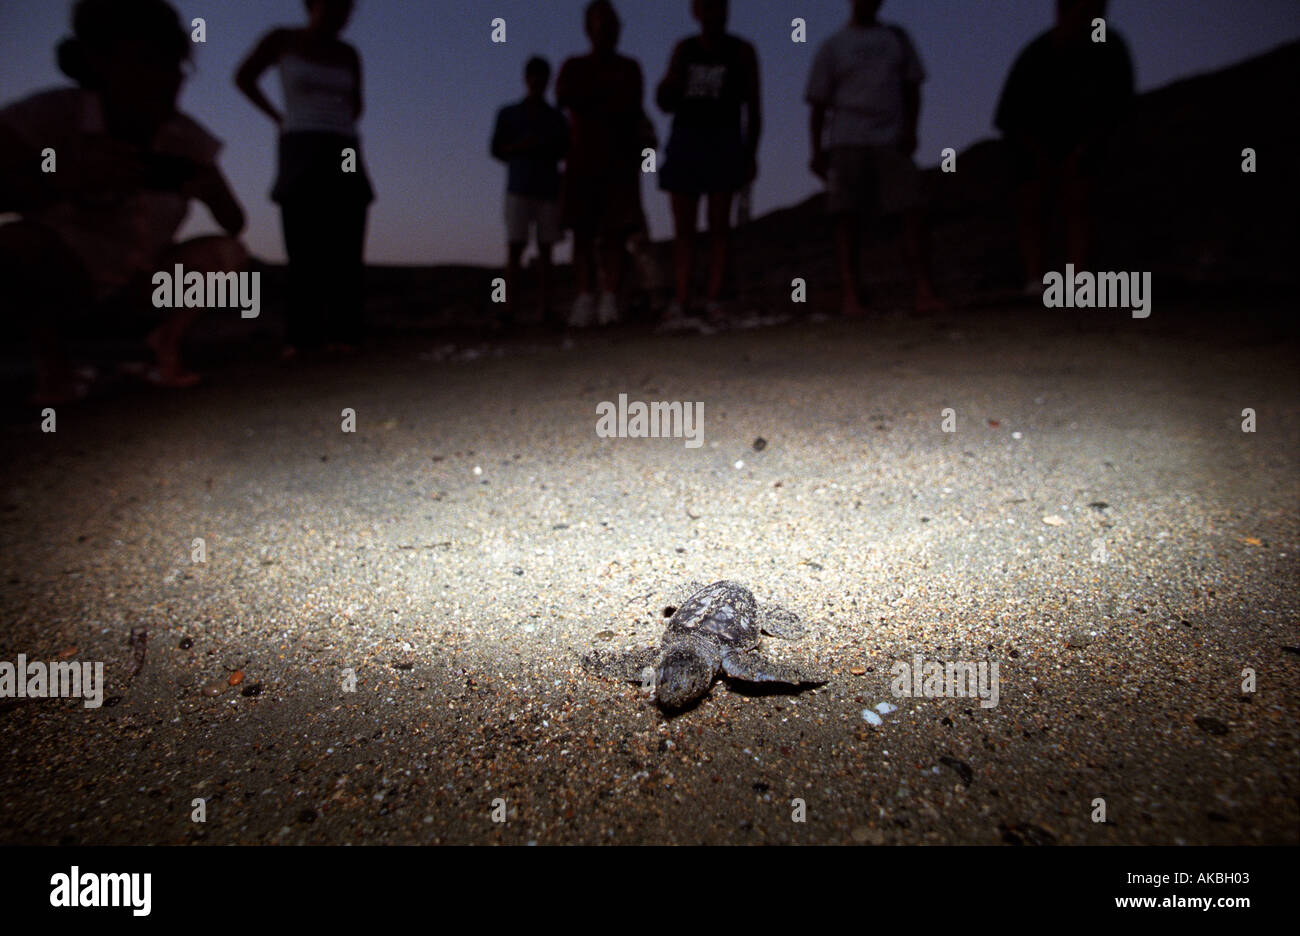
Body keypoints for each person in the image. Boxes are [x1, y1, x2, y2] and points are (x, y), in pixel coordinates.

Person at [0, 0, 246, 404]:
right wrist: (59, 178)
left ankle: (163, 346)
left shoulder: (187, 139)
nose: (165, 81)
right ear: (99, 64)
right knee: (17, 243)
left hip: (142, 288)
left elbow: (234, 222)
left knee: (227, 255)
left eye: (173, 67)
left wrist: (211, 190)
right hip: (67, 283)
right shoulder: (49, 116)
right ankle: (54, 370)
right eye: (145, 63)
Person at [235, 0, 374, 358]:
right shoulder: (282, 39)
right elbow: (244, 77)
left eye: (347, 11)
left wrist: (339, 121)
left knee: (347, 235)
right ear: (312, 5)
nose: (341, 17)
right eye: (333, 8)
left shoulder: (348, 52)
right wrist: (278, 116)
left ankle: (347, 333)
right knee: (303, 240)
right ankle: (301, 338)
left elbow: (358, 102)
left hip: (342, 144)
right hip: (301, 141)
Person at [805, 0, 944, 318]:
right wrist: (816, 151)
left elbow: (912, 86)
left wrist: (911, 129)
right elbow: (818, 103)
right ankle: (851, 297)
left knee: (912, 209)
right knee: (845, 218)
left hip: (890, 140)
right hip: (847, 141)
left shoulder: (896, 38)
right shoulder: (834, 45)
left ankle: (923, 291)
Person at [995, 0, 1134, 294]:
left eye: (1096, 14)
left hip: (1089, 144)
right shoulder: (1036, 55)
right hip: (1035, 146)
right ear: (1062, 11)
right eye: (1084, 13)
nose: (1091, 20)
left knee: (1081, 195)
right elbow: (1011, 118)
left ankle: (1078, 278)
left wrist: (1084, 150)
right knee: (1031, 198)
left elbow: (1119, 108)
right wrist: (1040, 158)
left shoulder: (1110, 49)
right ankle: (1035, 280)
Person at [656, 0, 761, 332]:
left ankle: (714, 300)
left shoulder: (742, 51)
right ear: (696, 11)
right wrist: (667, 89)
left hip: (724, 143)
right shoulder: (684, 49)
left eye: (721, 5)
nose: (716, 11)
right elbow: (665, 99)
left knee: (719, 227)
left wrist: (749, 153)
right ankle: (683, 300)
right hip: (687, 142)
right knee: (684, 230)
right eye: (708, 5)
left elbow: (754, 107)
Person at [556, 0, 649, 328]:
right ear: (588, 28)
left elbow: (634, 109)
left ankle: (610, 297)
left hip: (620, 164)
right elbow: (567, 97)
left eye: (612, 23)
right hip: (582, 162)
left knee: (615, 233)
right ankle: (585, 296)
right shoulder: (574, 66)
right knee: (582, 233)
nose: (607, 29)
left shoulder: (630, 68)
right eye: (600, 23)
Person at [491, 56, 570, 328]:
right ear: (526, 79)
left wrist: (543, 147)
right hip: (519, 187)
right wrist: (520, 147)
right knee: (514, 249)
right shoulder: (509, 113)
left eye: (541, 76)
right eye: (532, 75)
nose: (537, 81)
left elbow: (565, 150)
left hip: (547, 188)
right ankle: (508, 307)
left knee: (546, 251)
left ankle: (545, 309)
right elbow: (496, 149)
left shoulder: (556, 118)